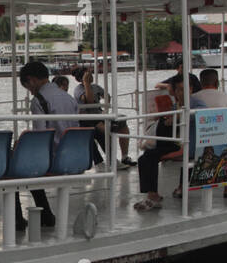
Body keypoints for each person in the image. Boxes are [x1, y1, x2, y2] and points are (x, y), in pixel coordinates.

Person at [15, 61, 78, 229]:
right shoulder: (69, 98)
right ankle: (46, 214)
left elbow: (39, 138)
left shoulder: (39, 101)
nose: (30, 91)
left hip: (53, 158)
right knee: (28, 169)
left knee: (15, 170)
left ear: (32, 80)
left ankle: (18, 220)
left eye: (28, 87)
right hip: (73, 156)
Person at [134, 75, 186, 211]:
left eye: (184, 89)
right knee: (143, 158)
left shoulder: (194, 104)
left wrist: (176, 117)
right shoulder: (177, 105)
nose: (182, 92)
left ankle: (153, 196)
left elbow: (197, 114)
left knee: (149, 157)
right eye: (179, 90)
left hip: (183, 143)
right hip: (171, 142)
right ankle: (152, 194)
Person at [72, 66, 133, 170]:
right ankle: (104, 161)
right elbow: (89, 100)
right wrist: (86, 84)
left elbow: (107, 96)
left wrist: (106, 110)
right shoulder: (78, 90)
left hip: (100, 116)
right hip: (88, 120)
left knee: (121, 121)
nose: (91, 76)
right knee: (102, 131)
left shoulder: (95, 87)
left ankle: (124, 156)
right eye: (88, 74)